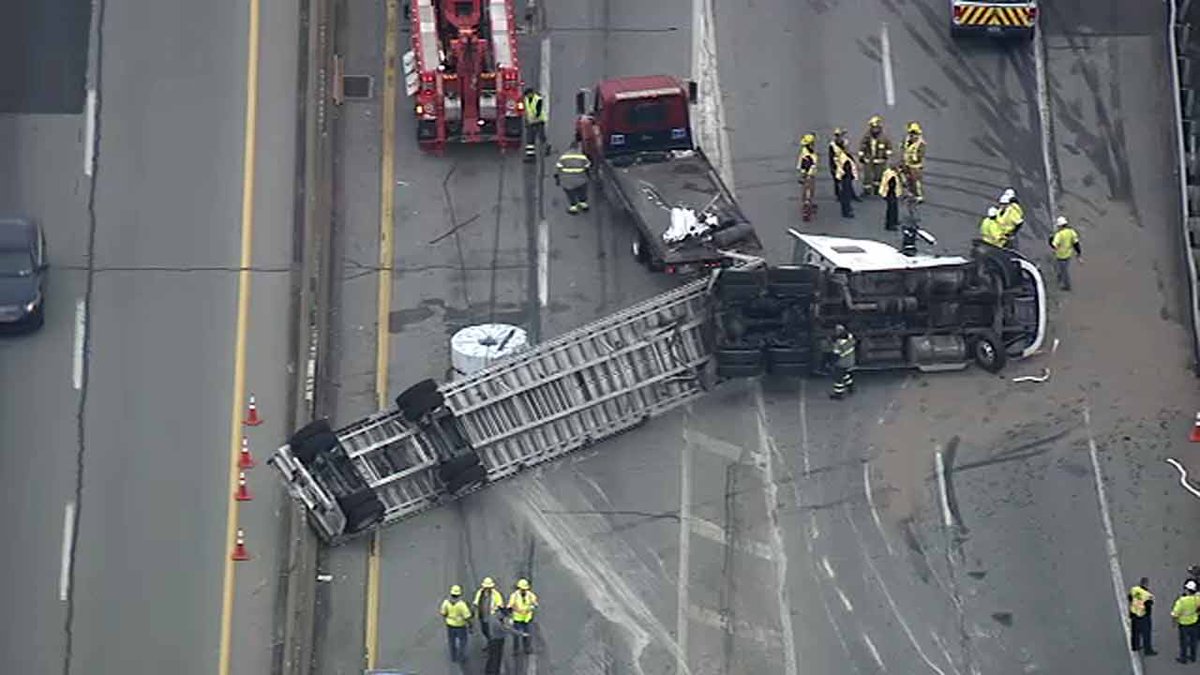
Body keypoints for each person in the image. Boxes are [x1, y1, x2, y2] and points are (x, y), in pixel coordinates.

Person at [858, 115, 893, 194]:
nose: (875, 129)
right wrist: (861, 155)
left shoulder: (884, 138)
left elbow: (889, 147)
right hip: (868, 159)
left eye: (876, 127)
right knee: (867, 176)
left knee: (878, 176)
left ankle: (877, 190)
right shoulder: (867, 137)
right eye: (873, 127)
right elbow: (862, 146)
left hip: (880, 160)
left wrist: (887, 155)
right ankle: (866, 191)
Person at [439, 584, 473, 663]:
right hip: (460, 625)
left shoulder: (446, 602)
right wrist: (470, 626)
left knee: (452, 641)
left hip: (450, 625)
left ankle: (453, 657)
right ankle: (461, 657)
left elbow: (443, 613)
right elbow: (467, 616)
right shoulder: (461, 604)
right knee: (462, 642)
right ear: (459, 594)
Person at [554, 143, 592, 214]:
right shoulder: (582, 157)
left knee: (570, 192)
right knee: (582, 190)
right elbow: (588, 166)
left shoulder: (564, 157)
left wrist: (557, 178)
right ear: (577, 148)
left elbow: (558, 168)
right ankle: (583, 204)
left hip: (567, 180)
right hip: (581, 179)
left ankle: (573, 207)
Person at [1048, 215, 1081, 290]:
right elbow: (1076, 243)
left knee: (1064, 271)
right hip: (1068, 254)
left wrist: (1050, 240)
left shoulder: (1059, 235)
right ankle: (1059, 278)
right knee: (1063, 268)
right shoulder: (1071, 232)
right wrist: (1078, 253)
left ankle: (1067, 286)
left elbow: (1054, 245)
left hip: (1060, 255)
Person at [508, 578, 539, 655]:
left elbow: (535, 604)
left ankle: (527, 648)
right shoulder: (514, 596)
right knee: (516, 635)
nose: (523, 591)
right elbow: (510, 606)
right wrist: (514, 611)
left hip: (527, 618)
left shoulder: (530, 595)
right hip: (517, 618)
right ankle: (516, 650)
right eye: (522, 589)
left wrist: (531, 607)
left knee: (526, 634)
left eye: (524, 589)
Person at [1173, 580, 1200, 663]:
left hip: (1184, 624)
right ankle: (1193, 657)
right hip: (1194, 623)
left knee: (1184, 642)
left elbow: (1175, 614)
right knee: (1193, 641)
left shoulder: (1182, 601)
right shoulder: (1197, 599)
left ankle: (1183, 658)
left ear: (1187, 590)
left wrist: (1174, 622)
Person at [474, 576, 505, 647]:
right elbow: (476, 603)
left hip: (492, 617)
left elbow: (500, 606)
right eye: (486, 587)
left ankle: (491, 644)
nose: (487, 589)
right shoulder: (480, 593)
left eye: (489, 587)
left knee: (491, 632)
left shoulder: (496, 595)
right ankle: (489, 641)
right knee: (484, 631)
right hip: (483, 616)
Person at [1130, 577, 1157, 655]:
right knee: (1146, 634)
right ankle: (1148, 650)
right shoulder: (1148, 595)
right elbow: (1149, 605)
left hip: (1134, 613)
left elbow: (1130, 597)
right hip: (1143, 616)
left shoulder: (1134, 589)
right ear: (1146, 584)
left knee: (1135, 632)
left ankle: (1135, 646)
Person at [828, 324, 856, 400]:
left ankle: (838, 394)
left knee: (838, 378)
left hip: (842, 363)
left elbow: (836, 354)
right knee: (846, 374)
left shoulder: (839, 344)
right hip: (850, 360)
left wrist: (831, 363)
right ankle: (851, 388)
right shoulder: (850, 337)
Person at [796, 133, 819, 221]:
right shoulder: (807, 156)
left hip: (810, 175)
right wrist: (804, 177)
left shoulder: (807, 151)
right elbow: (804, 167)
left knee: (809, 193)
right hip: (808, 176)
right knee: (808, 194)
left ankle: (809, 206)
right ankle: (806, 212)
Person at [522, 87, 548, 162]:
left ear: (531, 93)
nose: (527, 96)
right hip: (531, 122)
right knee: (530, 140)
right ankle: (530, 156)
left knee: (541, 138)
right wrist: (527, 121)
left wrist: (534, 118)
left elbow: (538, 112)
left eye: (527, 95)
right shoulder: (527, 99)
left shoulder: (538, 99)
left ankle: (545, 149)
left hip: (539, 122)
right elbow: (528, 111)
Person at [903, 122, 926, 203]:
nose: (913, 136)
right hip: (907, 164)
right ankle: (910, 193)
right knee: (908, 179)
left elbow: (921, 154)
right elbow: (904, 149)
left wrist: (915, 157)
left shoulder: (920, 143)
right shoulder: (907, 140)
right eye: (911, 133)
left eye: (915, 134)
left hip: (915, 166)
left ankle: (919, 196)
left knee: (916, 181)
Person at [834, 144, 858, 218]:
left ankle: (847, 209)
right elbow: (844, 168)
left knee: (846, 195)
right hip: (845, 178)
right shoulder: (844, 158)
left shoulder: (844, 156)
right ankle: (846, 212)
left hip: (846, 178)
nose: (848, 149)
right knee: (846, 195)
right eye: (847, 148)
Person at [879, 162, 904, 231]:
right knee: (891, 210)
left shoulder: (890, 172)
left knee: (894, 208)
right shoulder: (892, 176)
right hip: (890, 194)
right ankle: (890, 225)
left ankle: (895, 221)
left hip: (891, 194)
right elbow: (891, 186)